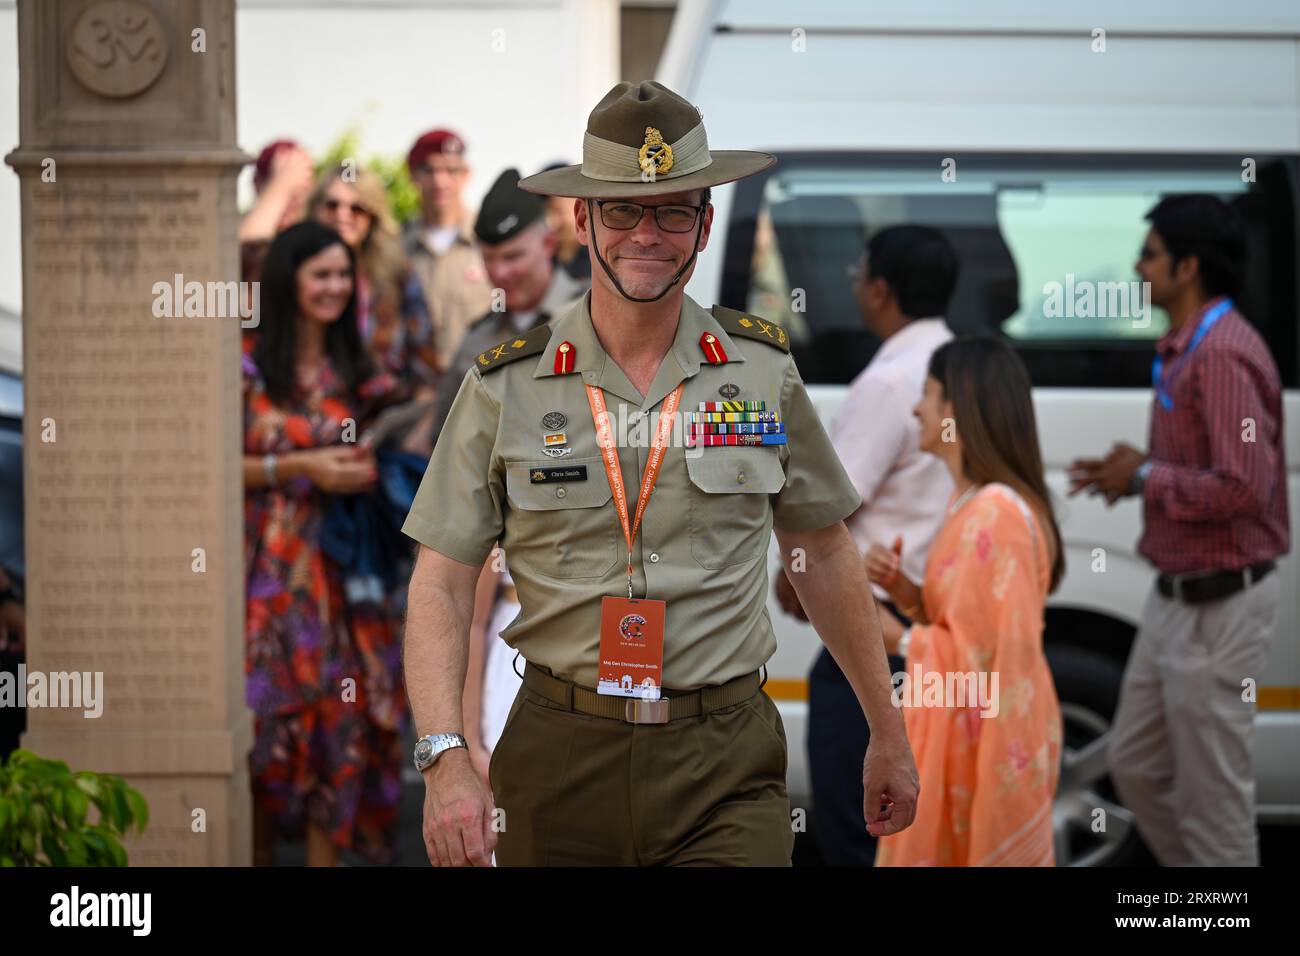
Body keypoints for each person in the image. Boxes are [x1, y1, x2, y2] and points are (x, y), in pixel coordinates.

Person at [401, 80, 919, 867]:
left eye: (675, 209)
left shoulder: (760, 371)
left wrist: (889, 727)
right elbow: (441, 581)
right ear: (583, 220)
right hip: (558, 753)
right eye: (623, 210)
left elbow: (825, 552)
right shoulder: (505, 384)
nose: (649, 232)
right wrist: (445, 761)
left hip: (725, 762)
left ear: (706, 225)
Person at [1068, 194, 1288, 866]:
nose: (1138, 268)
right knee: (1135, 766)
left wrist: (1142, 479)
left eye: (1151, 254)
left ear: (1187, 266)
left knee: (1213, 801)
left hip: (1218, 605)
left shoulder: (1220, 354)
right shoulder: (1187, 347)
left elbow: (1243, 487)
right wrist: (1140, 472)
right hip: (1176, 598)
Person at [775, 224, 956, 866]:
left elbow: (826, 510)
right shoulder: (955, 363)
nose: (854, 286)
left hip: (874, 634)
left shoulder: (887, 385)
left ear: (880, 290)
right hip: (935, 626)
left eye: (859, 275)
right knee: (912, 828)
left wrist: (791, 577)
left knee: (858, 829)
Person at [242, 221, 408, 866]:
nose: (336, 287)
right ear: (290, 280)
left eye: (344, 274)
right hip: (268, 577)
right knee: (264, 740)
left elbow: (399, 441)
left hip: (347, 581)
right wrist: (303, 466)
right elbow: (213, 466)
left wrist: (371, 463)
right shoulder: (249, 362)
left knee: (344, 737)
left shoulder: (358, 366)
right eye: (322, 274)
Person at [872, 337, 1065, 867]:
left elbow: (991, 663)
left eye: (929, 394)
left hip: (981, 741)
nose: (916, 409)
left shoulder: (994, 515)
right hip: (968, 730)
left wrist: (897, 637)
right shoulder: (973, 504)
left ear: (957, 406)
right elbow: (969, 627)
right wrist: (909, 596)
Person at [427, 167, 587, 442]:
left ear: (548, 244)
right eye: (489, 258)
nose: (500, 273)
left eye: (513, 257)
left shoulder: (594, 314)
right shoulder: (476, 340)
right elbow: (445, 443)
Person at [309, 164, 439, 401]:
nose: (342, 215)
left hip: (385, 419)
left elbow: (425, 362)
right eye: (332, 205)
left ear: (372, 216)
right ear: (315, 209)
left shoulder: (398, 275)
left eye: (357, 208)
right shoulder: (292, 270)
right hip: (316, 419)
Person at [402, 129, 494, 373]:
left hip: (478, 388)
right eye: (429, 170)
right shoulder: (397, 247)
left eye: (451, 170)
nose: (440, 181)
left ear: (466, 175)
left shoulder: (491, 241)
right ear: (412, 175)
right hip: (415, 394)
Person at [538, 160, 593, 283]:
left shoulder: (602, 263)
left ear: (580, 207)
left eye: (557, 210)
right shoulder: (544, 263)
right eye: (544, 214)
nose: (551, 223)